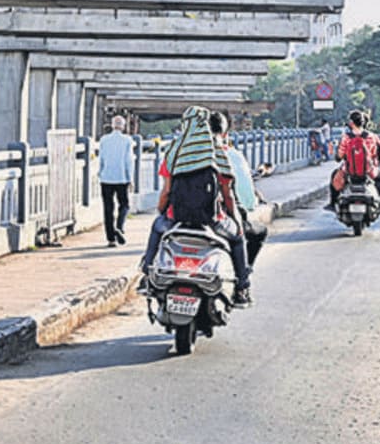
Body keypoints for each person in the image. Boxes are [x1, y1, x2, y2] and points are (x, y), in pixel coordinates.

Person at [139, 106, 253, 305]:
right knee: (237, 238)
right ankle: (242, 287)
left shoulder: (174, 151)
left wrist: (163, 212)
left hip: (177, 219)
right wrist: (237, 221)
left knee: (157, 227)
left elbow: (165, 192)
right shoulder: (216, 152)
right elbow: (228, 195)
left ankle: (147, 275)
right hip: (212, 221)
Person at [213, 111, 268, 267]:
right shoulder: (230, 156)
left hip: (180, 219)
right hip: (216, 218)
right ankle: (242, 278)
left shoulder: (181, 154)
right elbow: (236, 198)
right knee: (244, 235)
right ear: (224, 134)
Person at [331, 109, 380, 212]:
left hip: (348, 171)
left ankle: (332, 204)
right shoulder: (372, 137)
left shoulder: (346, 138)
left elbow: (339, 156)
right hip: (369, 171)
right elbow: (379, 154)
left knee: (334, 175)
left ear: (351, 123)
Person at [97, 115, 135, 247]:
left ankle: (111, 239)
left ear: (112, 125)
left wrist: (100, 172)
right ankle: (119, 226)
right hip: (121, 178)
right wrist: (130, 178)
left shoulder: (104, 140)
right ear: (123, 127)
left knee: (108, 208)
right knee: (124, 205)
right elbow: (128, 161)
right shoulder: (127, 140)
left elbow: (101, 159)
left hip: (106, 177)